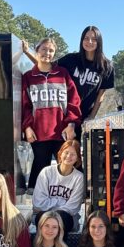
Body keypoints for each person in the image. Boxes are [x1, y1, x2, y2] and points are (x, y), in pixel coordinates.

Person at [21, 37, 81, 193]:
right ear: (37, 50)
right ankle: (35, 208)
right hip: (39, 133)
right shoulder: (28, 77)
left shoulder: (62, 74)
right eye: (43, 49)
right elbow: (25, 105)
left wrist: (71, 124)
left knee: (66, 167)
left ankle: (71, 199)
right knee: (40, 168)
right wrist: (27, 127)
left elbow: (74, 101)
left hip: (61, 132)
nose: (47, 53)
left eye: (51, 50)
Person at [56, 26, 115, 138]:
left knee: (75, 152)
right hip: (64, 115)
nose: (89, 42)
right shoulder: (71, 59)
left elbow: (100, 96)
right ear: (81, 40)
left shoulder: (107, 66)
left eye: (94, 39)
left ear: (99, 42)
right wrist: (27, 52)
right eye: (86, 38)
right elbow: (47, 66)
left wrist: (92, 117)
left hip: (83, 119)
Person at [32, 140, 85, 234]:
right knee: (45, 220)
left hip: (66, 217)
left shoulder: (79, 177)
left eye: (73, 154)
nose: (69, 156)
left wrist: (52, 206)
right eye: (66, 152)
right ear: (60, 154)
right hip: (43, 214)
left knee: (61, 220)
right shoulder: (46, 172)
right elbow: (38, 203)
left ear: (77, 158)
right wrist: (60, 202)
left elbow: (72, 208)